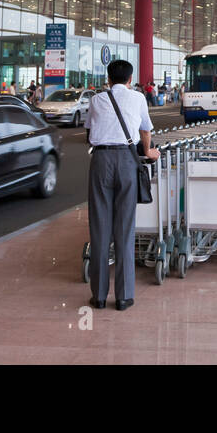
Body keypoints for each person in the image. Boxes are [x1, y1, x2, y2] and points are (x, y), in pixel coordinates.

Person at [86, 59, 158, 311]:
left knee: (99, 229)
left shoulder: (96, 100)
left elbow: (90, 130)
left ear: (108, 79)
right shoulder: (138, 98)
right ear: (130, 80)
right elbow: (145, 129)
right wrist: (148, 151)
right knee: (125, 229)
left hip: (101, 160)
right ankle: (125, 296)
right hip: (127, 162)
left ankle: (98, 296)